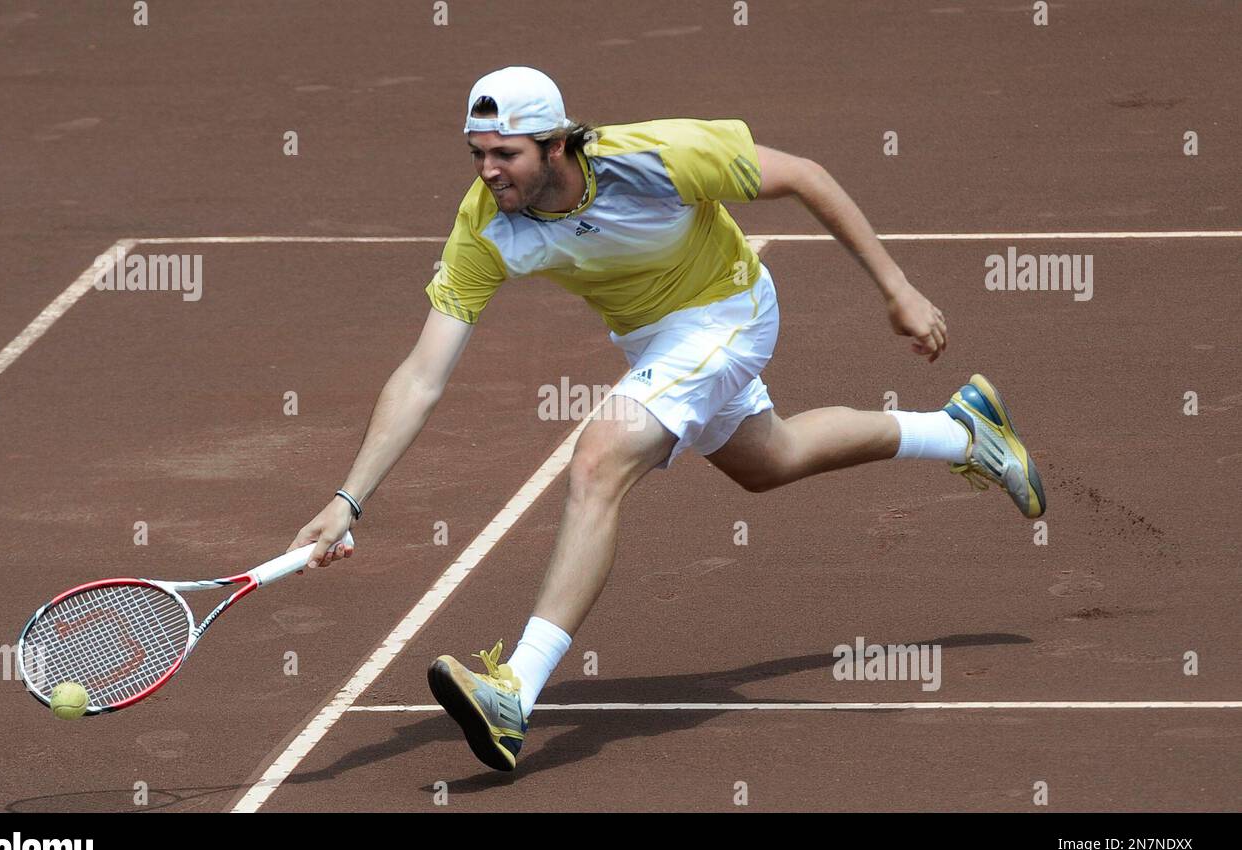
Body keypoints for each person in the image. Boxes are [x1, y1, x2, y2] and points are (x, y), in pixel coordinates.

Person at [288, 66, 1045, 772]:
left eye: (506, 154)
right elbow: (422, 375)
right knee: (767, 461)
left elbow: (806, 178)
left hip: (729, 311)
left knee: (599, 457)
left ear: (557, 144)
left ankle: (514, 691)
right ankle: (965, 431)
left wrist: (898, 289)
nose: (488, 171)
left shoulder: (657, 157)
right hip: (655, 338)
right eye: (477, 153)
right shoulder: (486, 223)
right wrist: (347, 500)